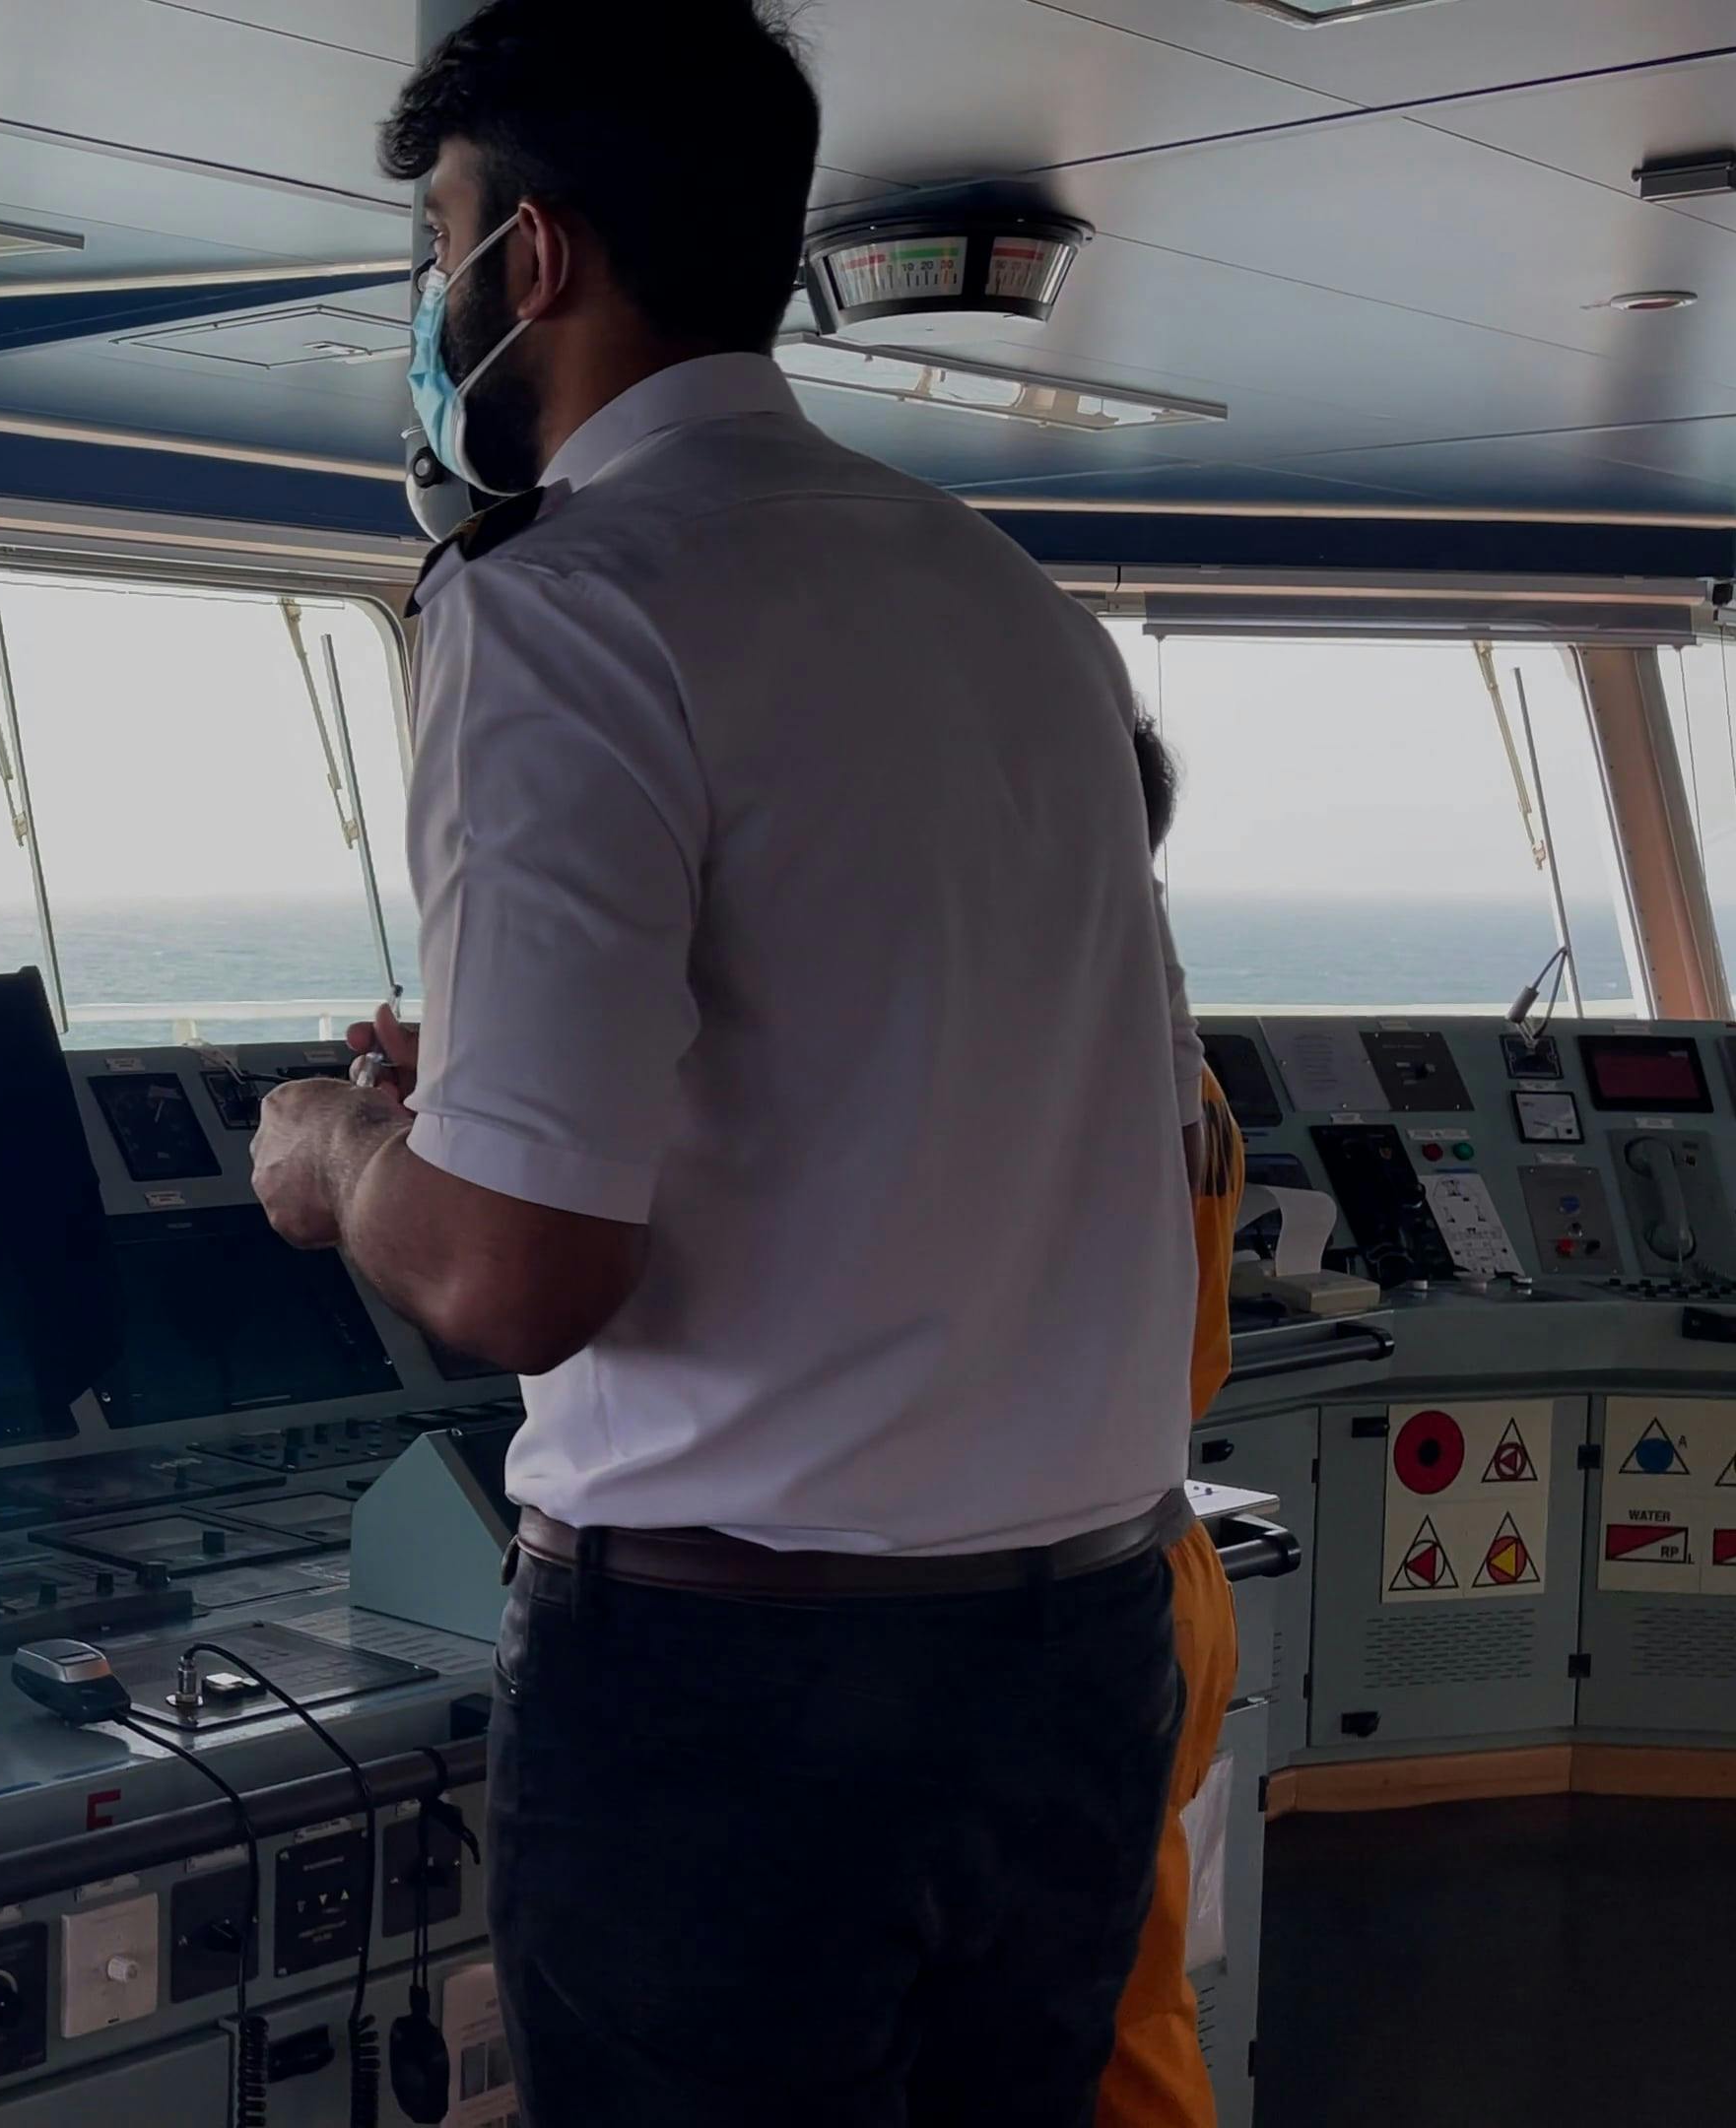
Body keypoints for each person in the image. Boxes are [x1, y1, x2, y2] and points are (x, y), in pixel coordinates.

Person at [247, 5, 1202, 2118]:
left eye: (440, 235)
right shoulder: (1011, 608)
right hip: (1071, 1668)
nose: (431, 292)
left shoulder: (561, 604)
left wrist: (334, 1152)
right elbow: (892, 1067)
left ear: (536, 259)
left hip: (741, 1700)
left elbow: (516, 1278)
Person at [1099, 719, 1249, 2128]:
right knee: (1131, 2002)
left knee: (1107, 2018)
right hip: (1161, 1570)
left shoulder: (1036, 1077)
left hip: (1088, 1603)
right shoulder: (1176, 1065)